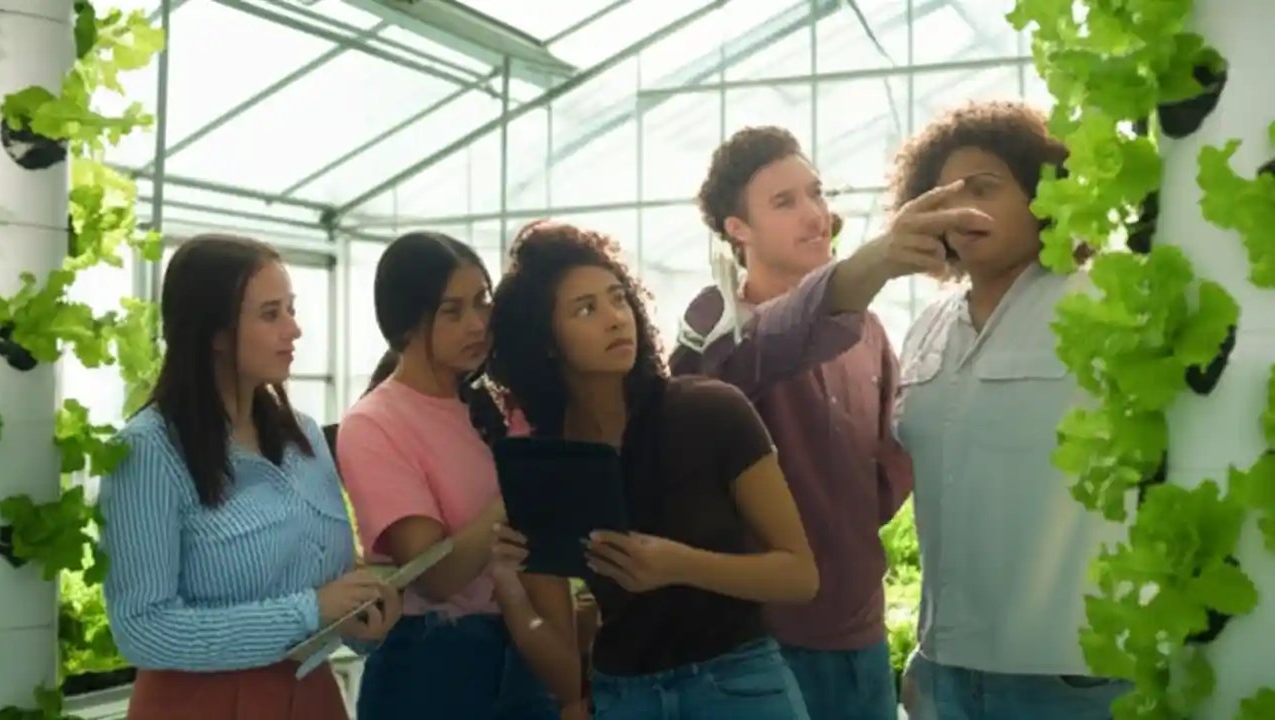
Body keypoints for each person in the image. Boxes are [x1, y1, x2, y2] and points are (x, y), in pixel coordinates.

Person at [671, 126, 979, 719]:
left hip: (859, 629)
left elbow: (894, 452)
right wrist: (882, 257)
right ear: (737, 229)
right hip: (758, 640)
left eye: (815, 193)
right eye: (784, 202)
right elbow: (777, 339)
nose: (816, 215)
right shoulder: (717, 325)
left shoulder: (868, 332)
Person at [484, 220, 820, 720]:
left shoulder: (710, 411)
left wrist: (680, 564)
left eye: (618, 298)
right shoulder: (550, 459)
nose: (616, 319)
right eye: (586, 309)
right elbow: (562, 669)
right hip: (624, 696)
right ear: (545, 339)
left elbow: (799, 575)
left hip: (739, 685)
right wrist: (509, 582)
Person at [888, 100, 1130, 720]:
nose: (961, 208)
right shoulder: (927, 328)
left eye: (985, 188)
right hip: (945, 672)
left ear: (1043, 195)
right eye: (942, 196)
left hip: (1069, 672)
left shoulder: (1102, 304)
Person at [98, 234, 402, 720]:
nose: (295, 329)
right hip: (200, 705)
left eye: (292, 308)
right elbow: (143, 629)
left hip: (313, 697)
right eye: (271, 314)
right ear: (215, 333)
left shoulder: (304, 436)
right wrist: (308, 611)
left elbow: (330, 590)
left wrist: (357, 619)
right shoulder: (148, 451)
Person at [335, 232, 570, 720]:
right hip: (432, 665)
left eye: (482, 303)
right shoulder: (375, 423)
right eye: (452, 311)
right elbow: (436, 575)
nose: (477, 324)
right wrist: (522, 482)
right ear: (404, 324)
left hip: (524, 646)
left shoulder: (500, 405)